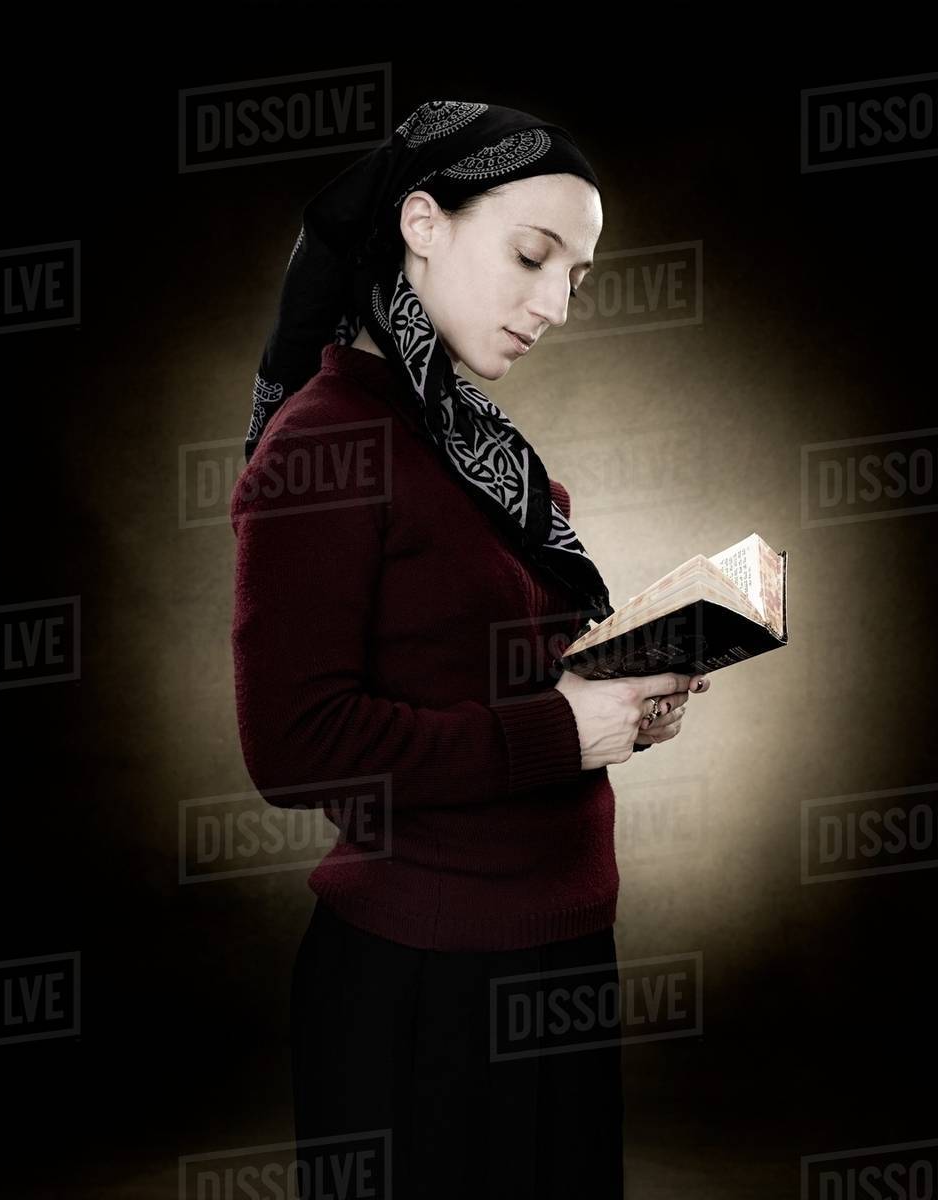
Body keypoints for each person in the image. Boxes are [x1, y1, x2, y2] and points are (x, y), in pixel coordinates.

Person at [230, 99, 710, 1200]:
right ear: (422, 223)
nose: (556, 303)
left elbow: (480, 670)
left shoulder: (477, 444)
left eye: (577, 278)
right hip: (424, 979)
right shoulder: (328, 442)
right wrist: (557, 730)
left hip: (561, 946)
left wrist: (617, 690)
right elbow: (294, 746)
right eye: (534, 255)